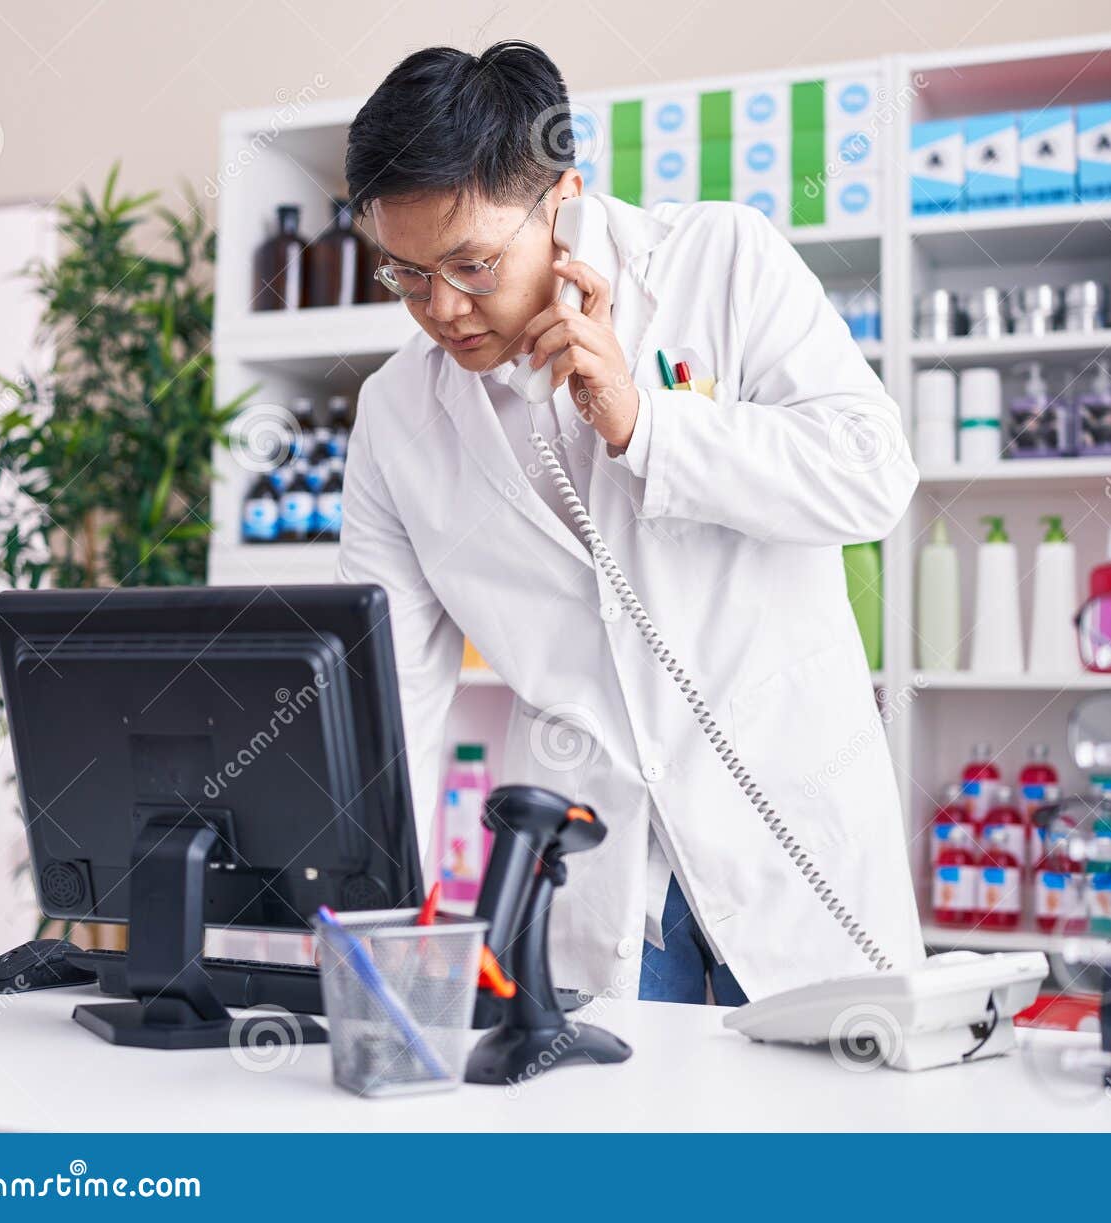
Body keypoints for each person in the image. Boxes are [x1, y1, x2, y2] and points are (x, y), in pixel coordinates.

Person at [338, 40, 922, 1005]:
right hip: (595, 883)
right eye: (405, 274)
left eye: (472, 264)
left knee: (826, 1100)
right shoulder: (397, 415)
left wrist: (648, 427)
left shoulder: (720, 261)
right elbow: (389, 695)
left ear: (563, 200)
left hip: (793, 844)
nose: (440, 308)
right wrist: (375, 929)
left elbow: (872, 475)